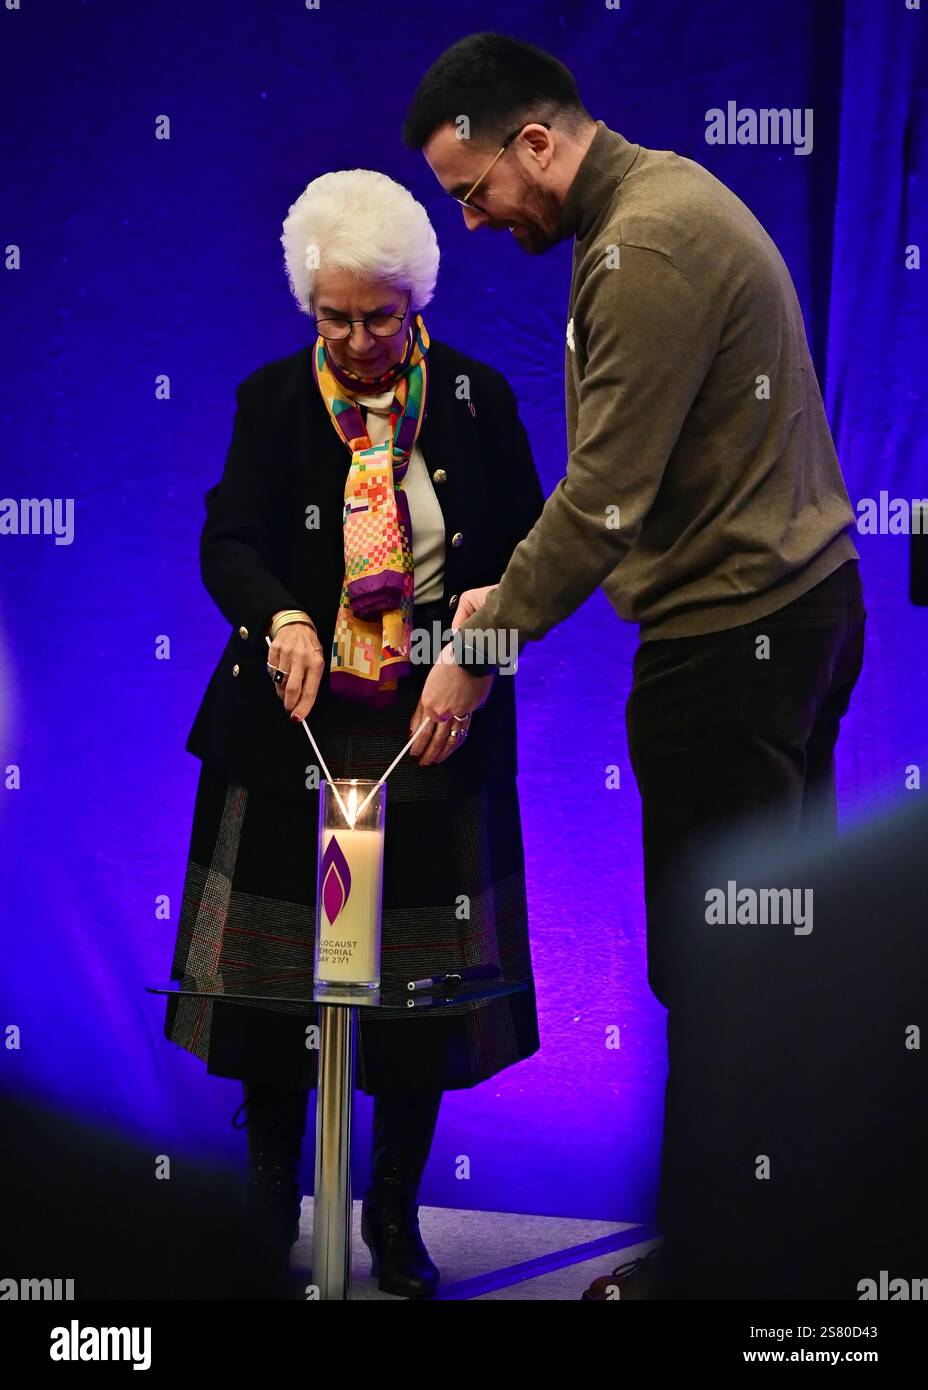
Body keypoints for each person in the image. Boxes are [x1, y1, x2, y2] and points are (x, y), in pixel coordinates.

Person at [403, 34, 865, 1298]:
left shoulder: (640, 248)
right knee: (760, 962)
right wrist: (513, 587)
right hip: (789, 621)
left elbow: (605, 499)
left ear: (534, 143)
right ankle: (777, 1255)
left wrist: (479, 649)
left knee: (718, 974)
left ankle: (723, 1279)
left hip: (734, 651)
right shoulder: (658, 204)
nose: (475, 218)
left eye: (472, 188)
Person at [163, 167, 545, 1298]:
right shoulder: (270, 400)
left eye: (381, 314)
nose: (361, 337)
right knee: (278, 992)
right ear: (307, 304)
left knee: (414, 1001)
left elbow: (529, 557)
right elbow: (227, 538)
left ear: (417, 297)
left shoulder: (476, 400)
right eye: (335, 315)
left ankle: (392, 1217)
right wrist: (279, 613)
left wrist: (469, 664)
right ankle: (268, 1199)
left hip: (434, 726)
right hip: (290, 733)